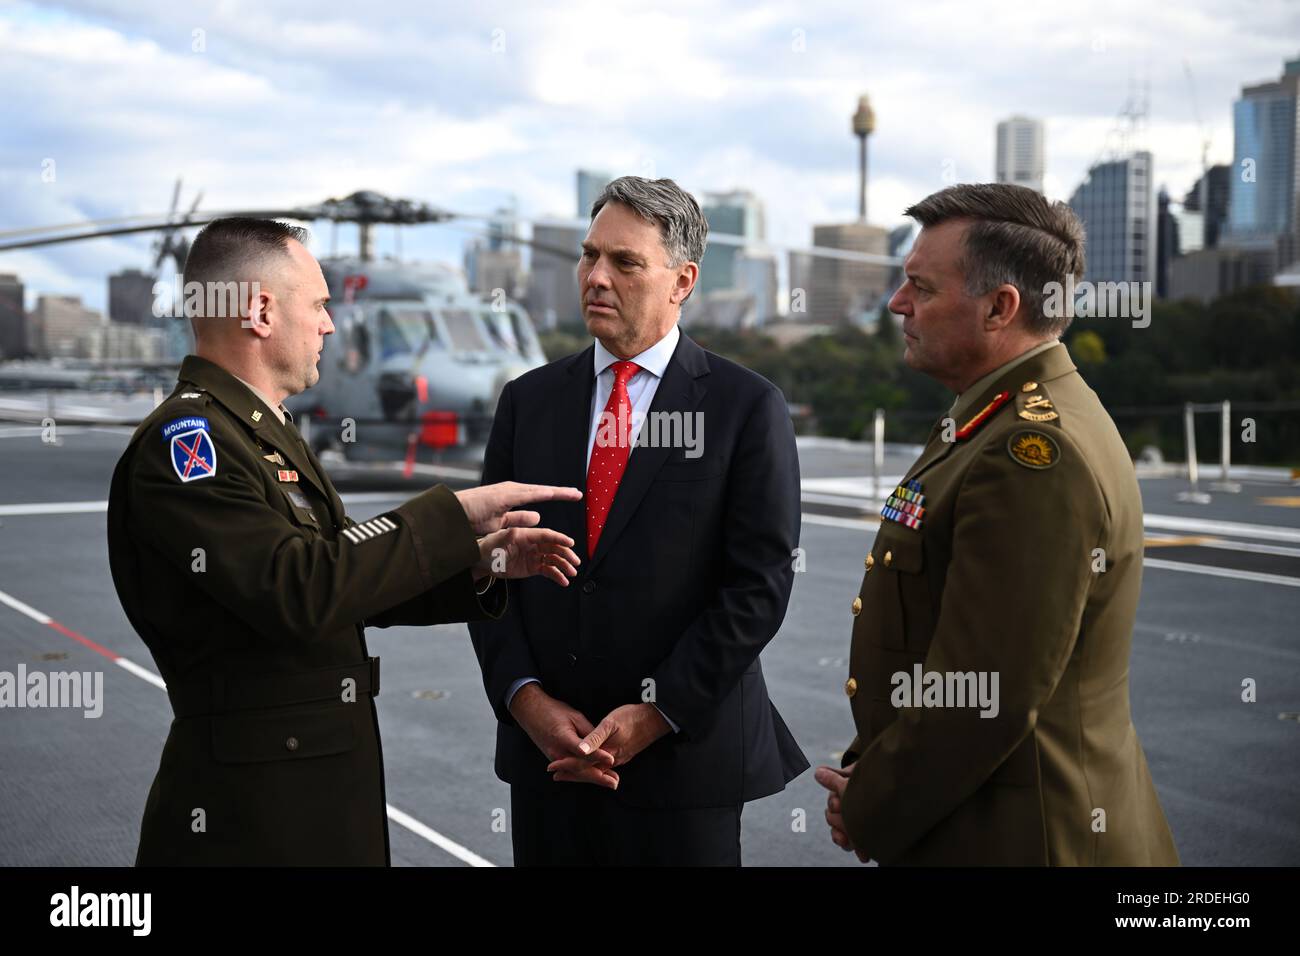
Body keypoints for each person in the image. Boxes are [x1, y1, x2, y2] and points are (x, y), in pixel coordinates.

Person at [107, 217, 582, 865]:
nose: (328, 324)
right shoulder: (193, 446)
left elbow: (339, 579)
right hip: (255, 814)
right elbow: (297, 589)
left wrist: (473, 562)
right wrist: (451, 517)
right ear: (261, 312)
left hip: (312, 786)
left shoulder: (258, 433)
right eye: (320, 305)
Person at [814, 183, 1179, 866]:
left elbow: (985, 694)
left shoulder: (1029, 453)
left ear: (999, 308)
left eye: (920, 288)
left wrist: (872, 804)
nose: (898, 304)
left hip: (1025, 837)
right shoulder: (998, 419)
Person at [469, 176, 808, 866]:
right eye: (590, 256)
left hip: (683, 766)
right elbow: (487, 568)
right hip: (550, 765)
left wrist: (656, 713)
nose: (596, 277)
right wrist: (527, 701)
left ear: (682, 281)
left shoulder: (746, 407)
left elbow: (758, 587)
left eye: (624, 263)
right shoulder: (527, 402)